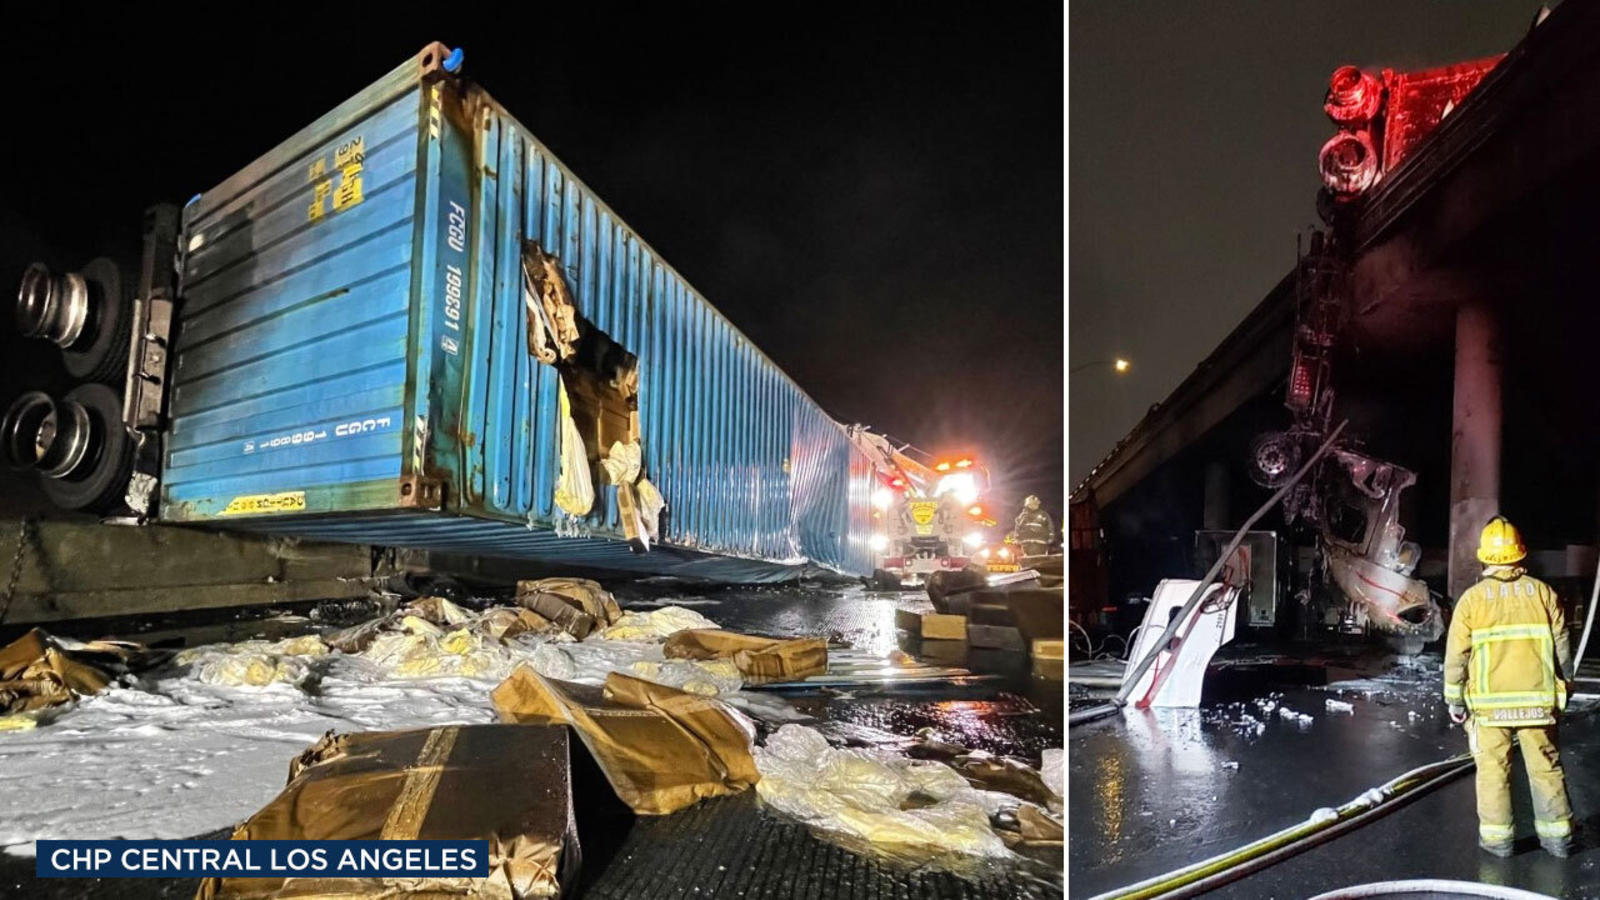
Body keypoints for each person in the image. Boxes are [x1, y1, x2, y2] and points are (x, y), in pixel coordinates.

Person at [1443, 515, 1574, 858]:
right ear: (1521, 554)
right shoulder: (1544, 593)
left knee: (1493, 773)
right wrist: (1565, 689)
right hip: (1538, 704)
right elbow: (1563, 647)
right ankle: (1558, 839)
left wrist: (1455, 701)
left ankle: (1499, 843)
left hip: (1489, 709)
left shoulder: (1472, 601)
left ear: (1484, 557)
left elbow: (1456, 656)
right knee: (1546, 768)